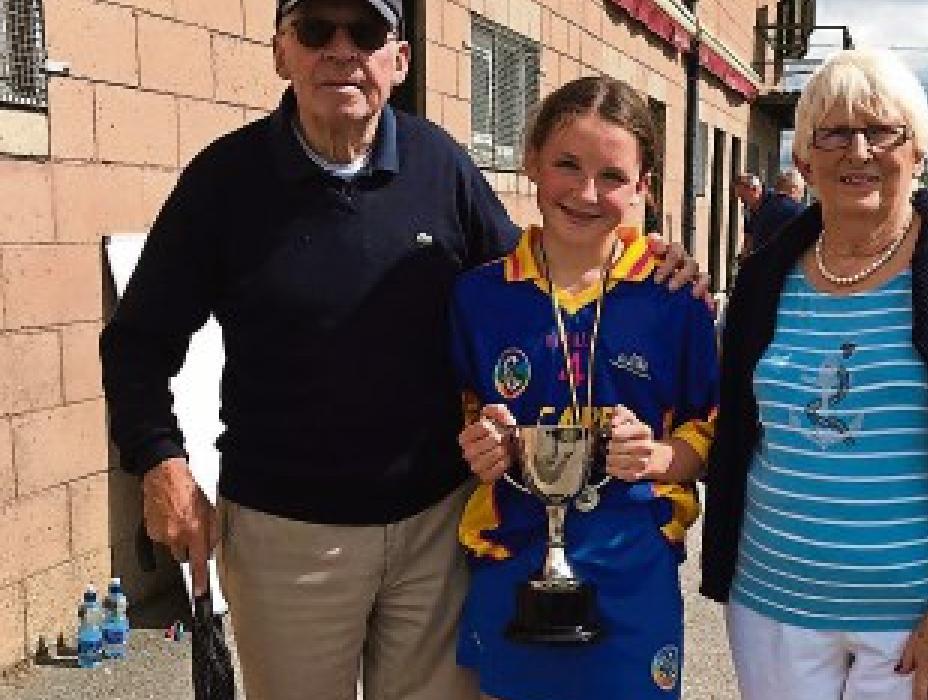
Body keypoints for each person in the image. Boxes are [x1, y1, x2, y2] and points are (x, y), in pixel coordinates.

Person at [98, 1, 702, 698]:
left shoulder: (438, 164)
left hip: (434, 532)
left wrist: (640, 252)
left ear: (399, 59)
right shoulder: (224, 181)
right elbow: (138, 343)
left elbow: (540, 277)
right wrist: (160, 464)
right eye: (317, 30)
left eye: (365, 32)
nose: (341, 49)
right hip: (289, 536)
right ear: (281, 53)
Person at [700, 49, 928, 700]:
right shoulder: (763, 279)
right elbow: (719, 414)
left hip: (927, 621)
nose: (856, 150)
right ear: (804, 162)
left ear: (917, 151)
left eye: (881, 131)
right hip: (774, 607)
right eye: (832, 133)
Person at [451, 76, 719, 700]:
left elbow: (708, 429)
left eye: (613, 176)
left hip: (634, 568)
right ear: (533, 167)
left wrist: (658, 457)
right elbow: (461, 417)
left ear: (643, 188)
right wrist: (482, 443)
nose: (587, 192)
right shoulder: (478, 296)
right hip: (511, 565)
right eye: (567, 165)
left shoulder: (677, 299)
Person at [735, 172, 806, 261]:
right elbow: (750, 236)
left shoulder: (778, 205)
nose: (742, 202)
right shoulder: (754, 209)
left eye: (743, 197)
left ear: (753, 190)